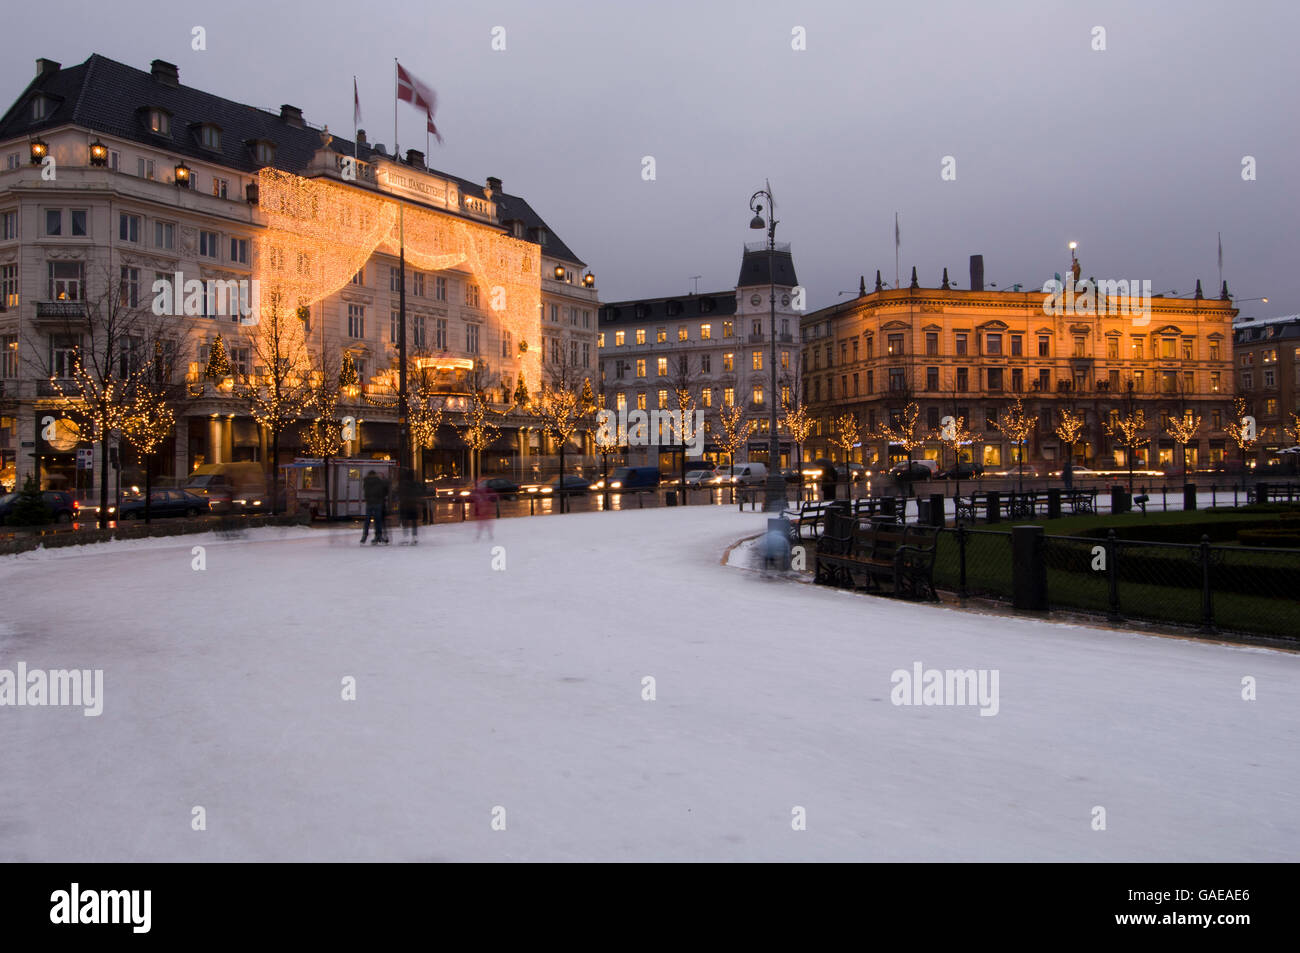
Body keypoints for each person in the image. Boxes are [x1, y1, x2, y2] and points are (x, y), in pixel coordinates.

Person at [360, 469, 390, 545]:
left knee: (367, 520)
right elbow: (384, 491)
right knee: (378, 520)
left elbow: (365, 491)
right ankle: (378, 535)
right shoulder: (379, 481)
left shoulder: (366, 482)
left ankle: (364, 536)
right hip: (378, 502)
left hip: (369, 503)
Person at [397, 468, 421, 544]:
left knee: (405, 521)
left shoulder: (403, 484)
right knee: (414, 521)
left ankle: (406, 537)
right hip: (413, 504)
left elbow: (399, 493)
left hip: (405, 504)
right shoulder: (415, 484)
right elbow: (419, 493)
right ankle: (414, 537)